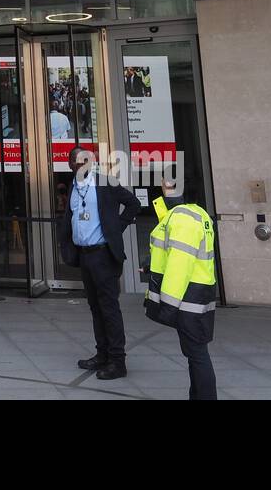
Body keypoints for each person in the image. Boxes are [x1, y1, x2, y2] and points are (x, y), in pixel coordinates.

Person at [60, 146, 140, 380]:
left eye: (88, 160)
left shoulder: (106, 183)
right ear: (72, 165)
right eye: (80, 161)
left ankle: (118, 361)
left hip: (103, 255)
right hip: (85, 256)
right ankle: (102, 354)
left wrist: (117, 227)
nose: (85, 164)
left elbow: (134, 204)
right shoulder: (74, 188)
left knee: (109, 308)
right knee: (95, 308)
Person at [145, 176, 218, 399]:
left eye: (167, 185)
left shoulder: (183, 217)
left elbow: (179, 265)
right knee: (195, 352)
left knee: (197, 354)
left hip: (188, 298)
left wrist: (167, 305)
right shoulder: (196, 214)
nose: (162, 188)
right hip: (197, 294)